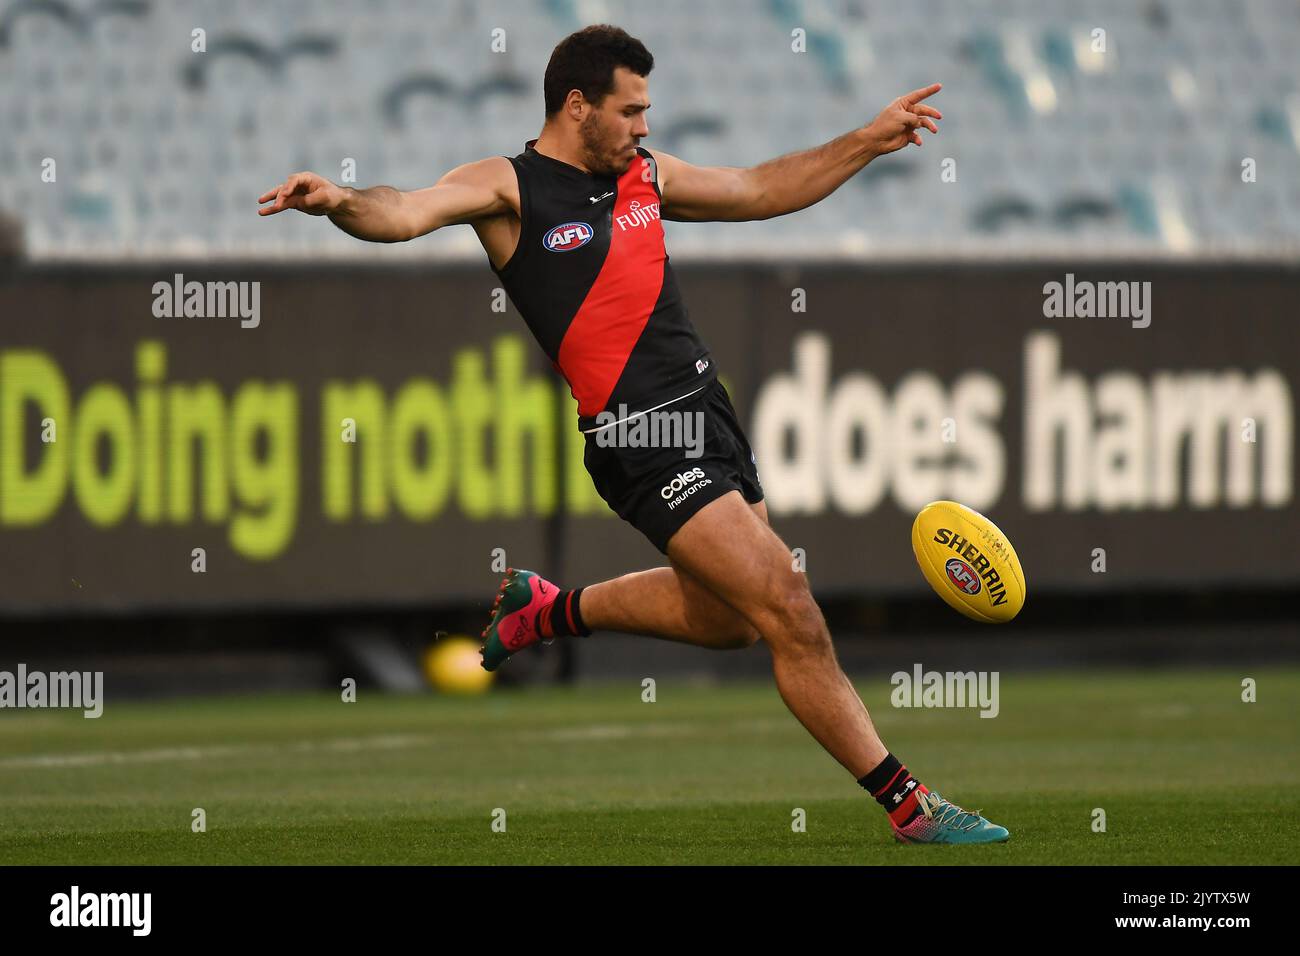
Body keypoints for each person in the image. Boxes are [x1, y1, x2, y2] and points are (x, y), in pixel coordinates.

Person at [258, 24, 1008, 845]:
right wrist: (340, 203)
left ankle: (547, 611)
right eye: (631, 110)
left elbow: (758, 189)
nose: (644, 126)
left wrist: (866, 140)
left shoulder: (646, 174)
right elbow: (403, 212)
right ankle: (910, 805)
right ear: (576, 106)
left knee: (734, 622)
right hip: (637, 436)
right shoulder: (509, 188)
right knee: (790, 605)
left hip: (707, 414)